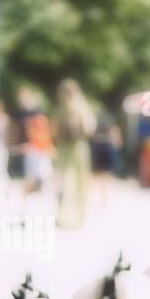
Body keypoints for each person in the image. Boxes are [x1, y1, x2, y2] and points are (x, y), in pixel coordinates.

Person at [53, 78, 96, 229]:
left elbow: (89, 129)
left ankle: (77, 218)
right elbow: (55, 131)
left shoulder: (82, 108)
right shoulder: (60, 111)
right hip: (64, 148)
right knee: (64, 183)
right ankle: (64, 215)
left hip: (78, 147)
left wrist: (77, 117)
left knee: (80, 183)